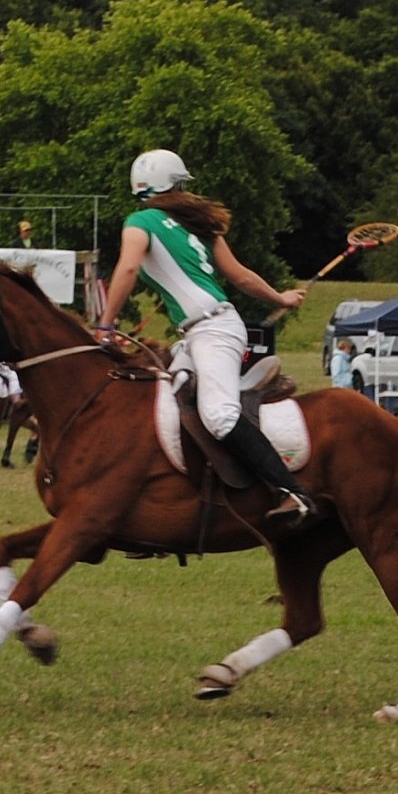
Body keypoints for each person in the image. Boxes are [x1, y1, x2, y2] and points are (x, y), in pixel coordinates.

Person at [93, 149, 315, 526]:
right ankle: (169, 502)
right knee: (168, 395)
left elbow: (128, 267)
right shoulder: (197, 227)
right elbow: (241, 276)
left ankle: (292, 492)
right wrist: (281, 297)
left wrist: (106, 324)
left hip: (214, 329)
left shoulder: (139, 221)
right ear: (175, 184)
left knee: (219, 415)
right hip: (201, 332)